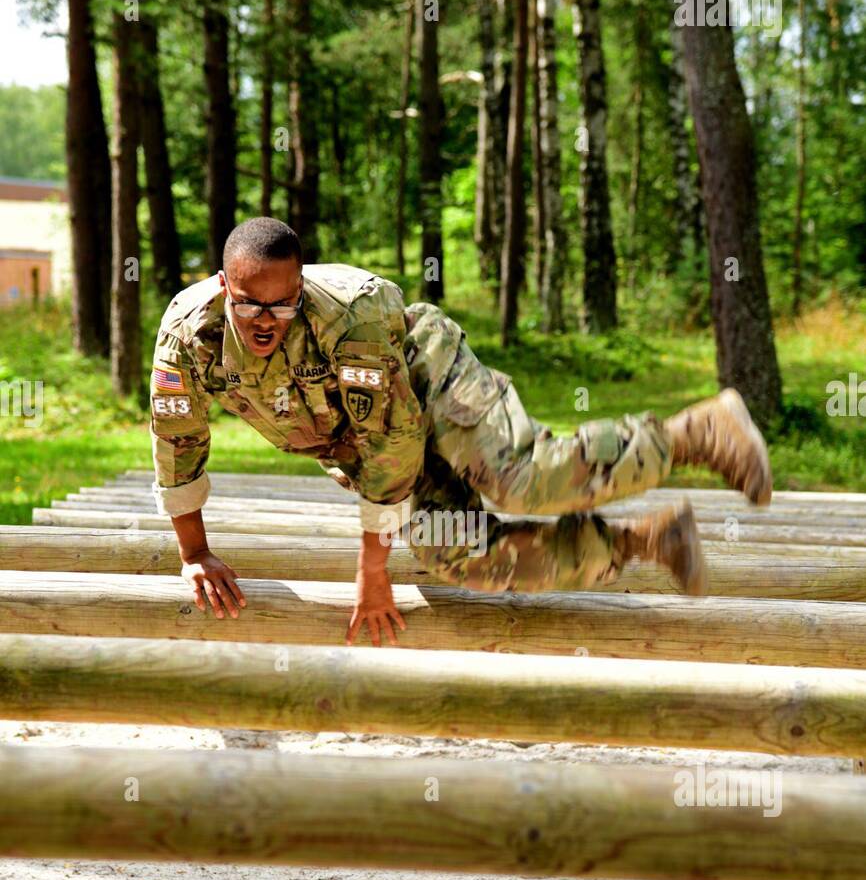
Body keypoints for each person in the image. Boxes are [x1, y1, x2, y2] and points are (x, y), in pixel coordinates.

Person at [150, 217, 772, 645]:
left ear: (300, 286)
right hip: (359, 439)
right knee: (456, 553)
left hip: (426, 377)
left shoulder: (349, 318)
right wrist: (194, 553)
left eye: (284, 305)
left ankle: (700, 432)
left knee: (518, 479)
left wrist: (372, 569)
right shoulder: (186, 336)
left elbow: (390, 440)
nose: (268, 321)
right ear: (223, 285)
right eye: (251, 305)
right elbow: (178, 445)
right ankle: (648, 542)